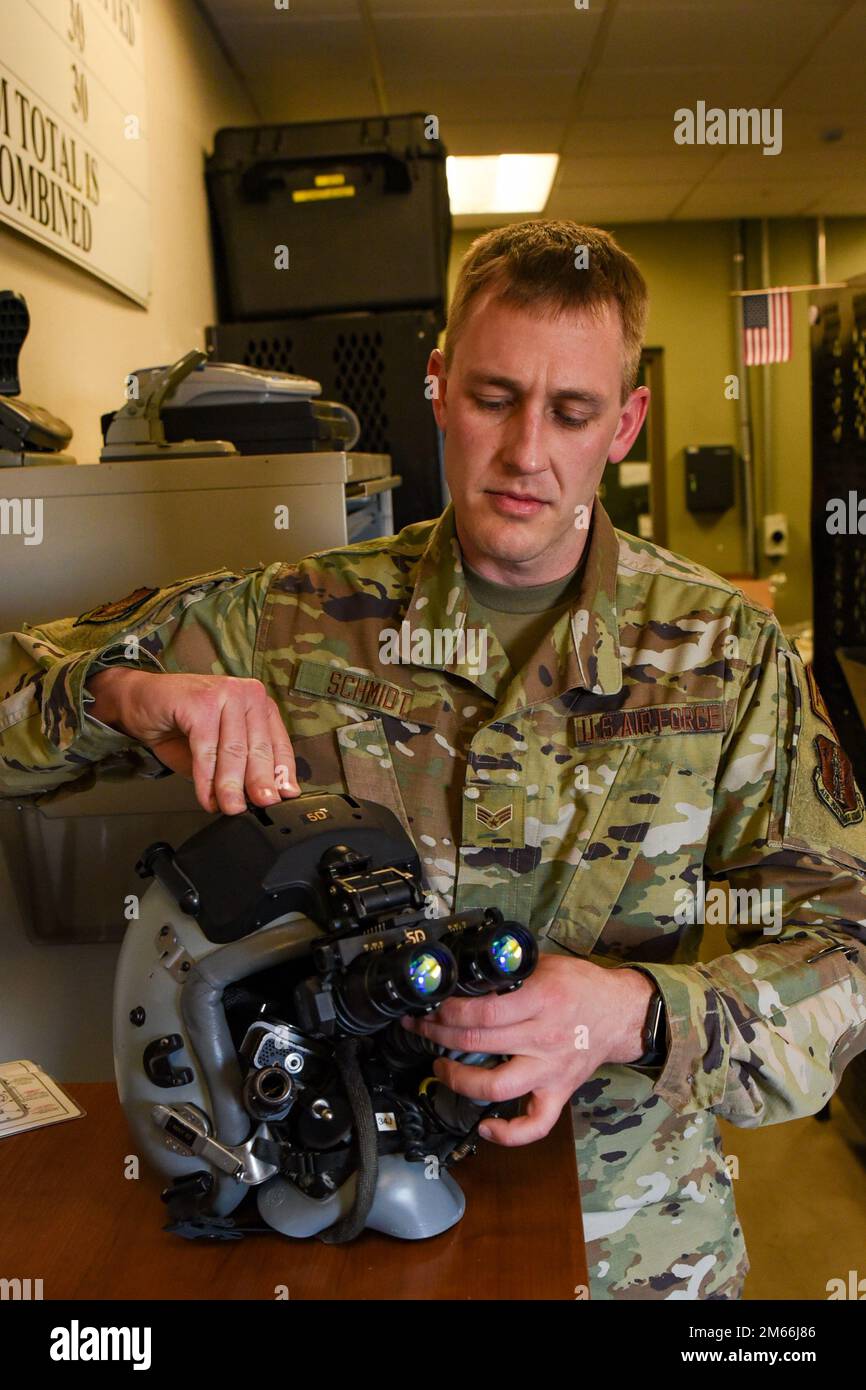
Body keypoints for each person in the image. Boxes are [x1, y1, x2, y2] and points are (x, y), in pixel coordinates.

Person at [2, 219, 865, 1301]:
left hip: (635, 1251)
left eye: (571, 411)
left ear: (625, 422)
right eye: (493, 397)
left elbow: (844, 952)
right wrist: (120, 692)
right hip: (345, 1235)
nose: (525, 453)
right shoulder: (289, 619)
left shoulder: (724, 659)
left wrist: (632, 1010)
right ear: (437, 386)